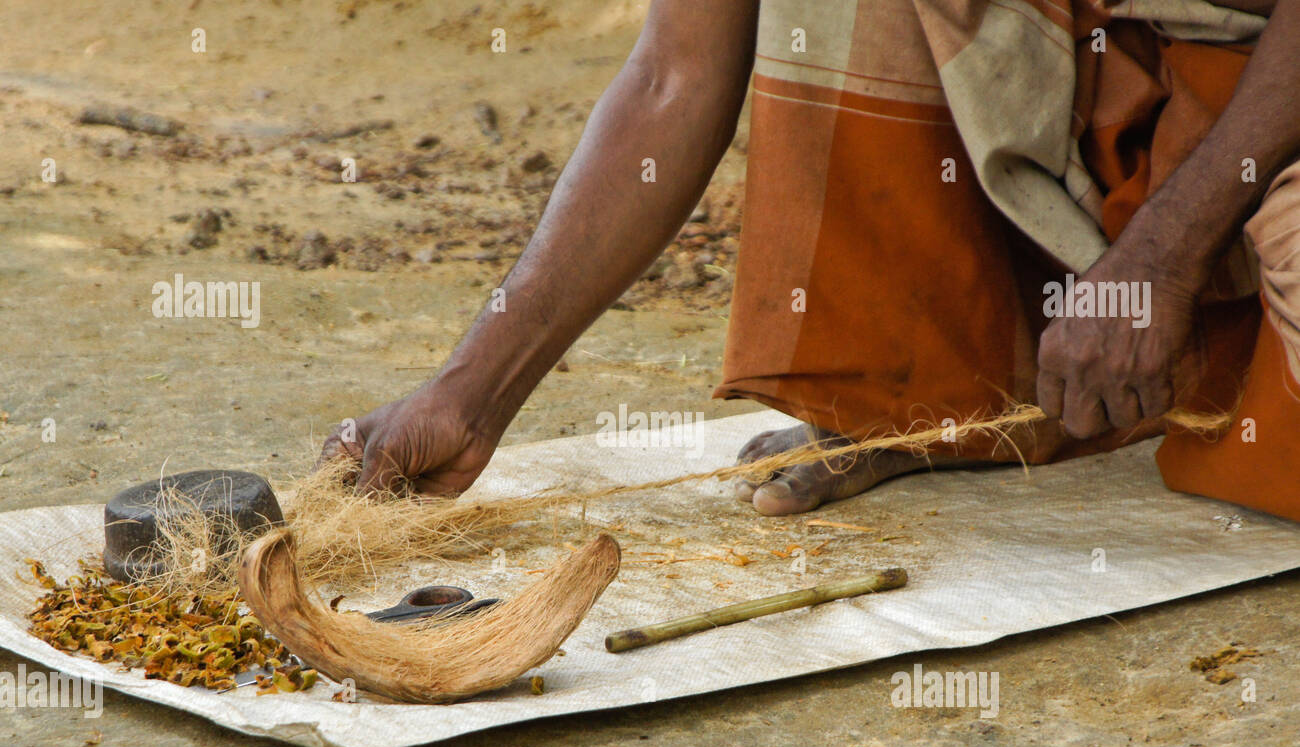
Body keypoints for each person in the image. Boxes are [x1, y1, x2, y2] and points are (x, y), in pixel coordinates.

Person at [320, 0, 1300, 522]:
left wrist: (1159, 263)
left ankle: (1201, 343)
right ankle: (932, 386)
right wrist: (470, 394)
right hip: (1088, 143)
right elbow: (674, 73)